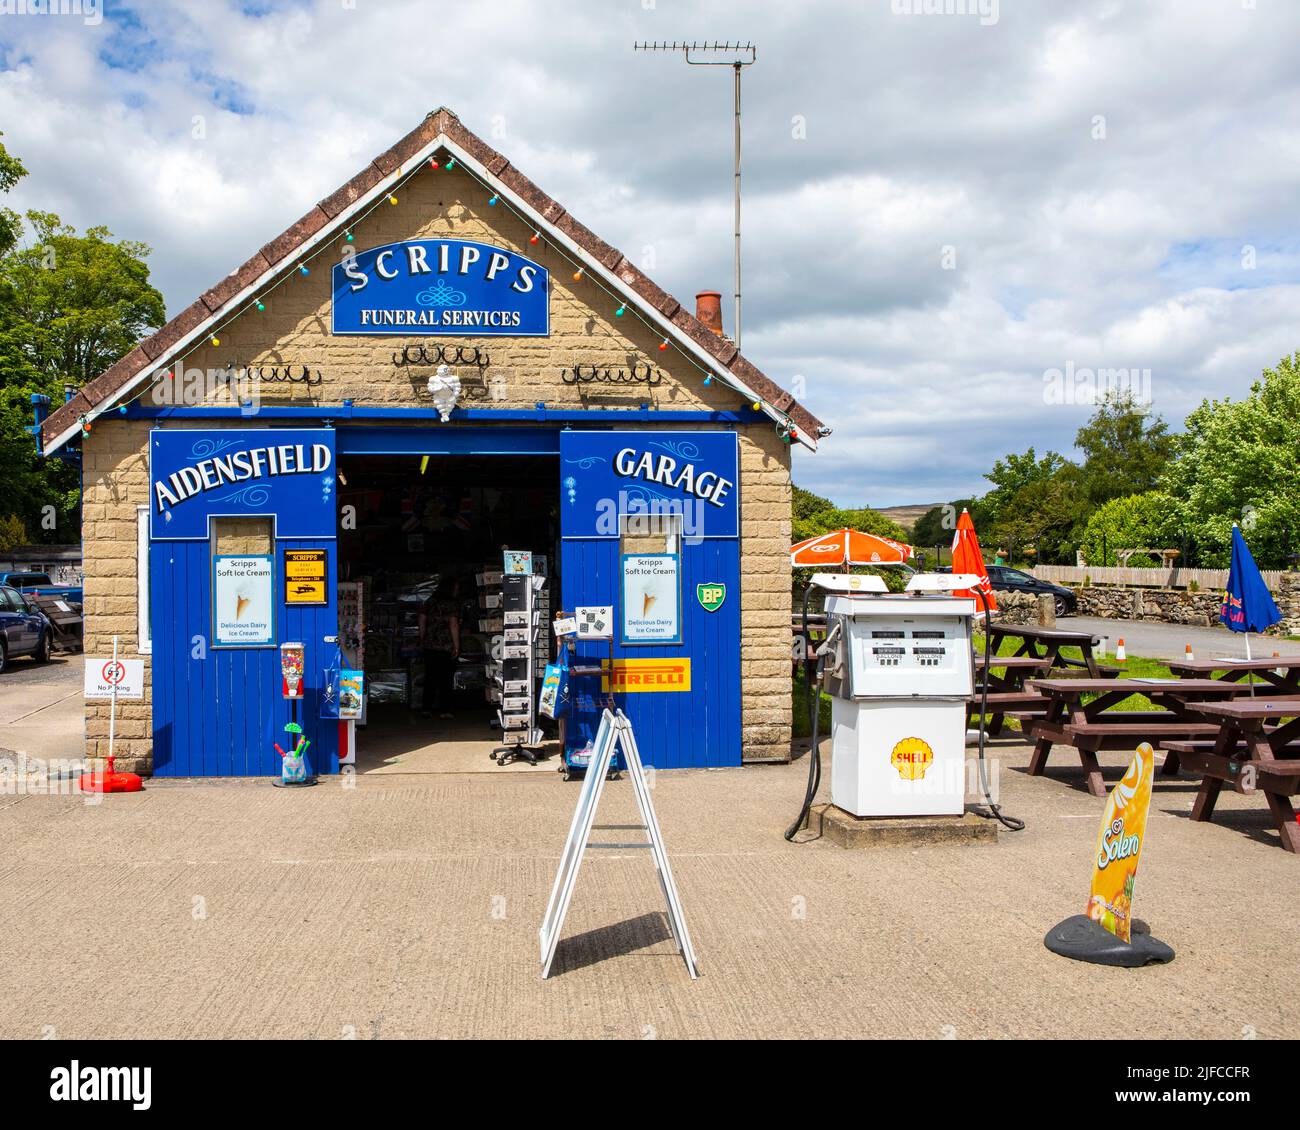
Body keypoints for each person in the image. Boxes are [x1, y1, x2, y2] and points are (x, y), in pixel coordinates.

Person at [418, 575, 460, 718]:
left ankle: (426, 708)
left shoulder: (430, 601)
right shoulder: (451, 604)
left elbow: (421, 619)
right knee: (446, 679)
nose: (457, 590)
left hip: (430, 645)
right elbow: (453, 624)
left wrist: (422, 637)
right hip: (446, 645)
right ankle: (445, 710)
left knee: (430, 677)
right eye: (456, 588)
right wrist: (456, 645)